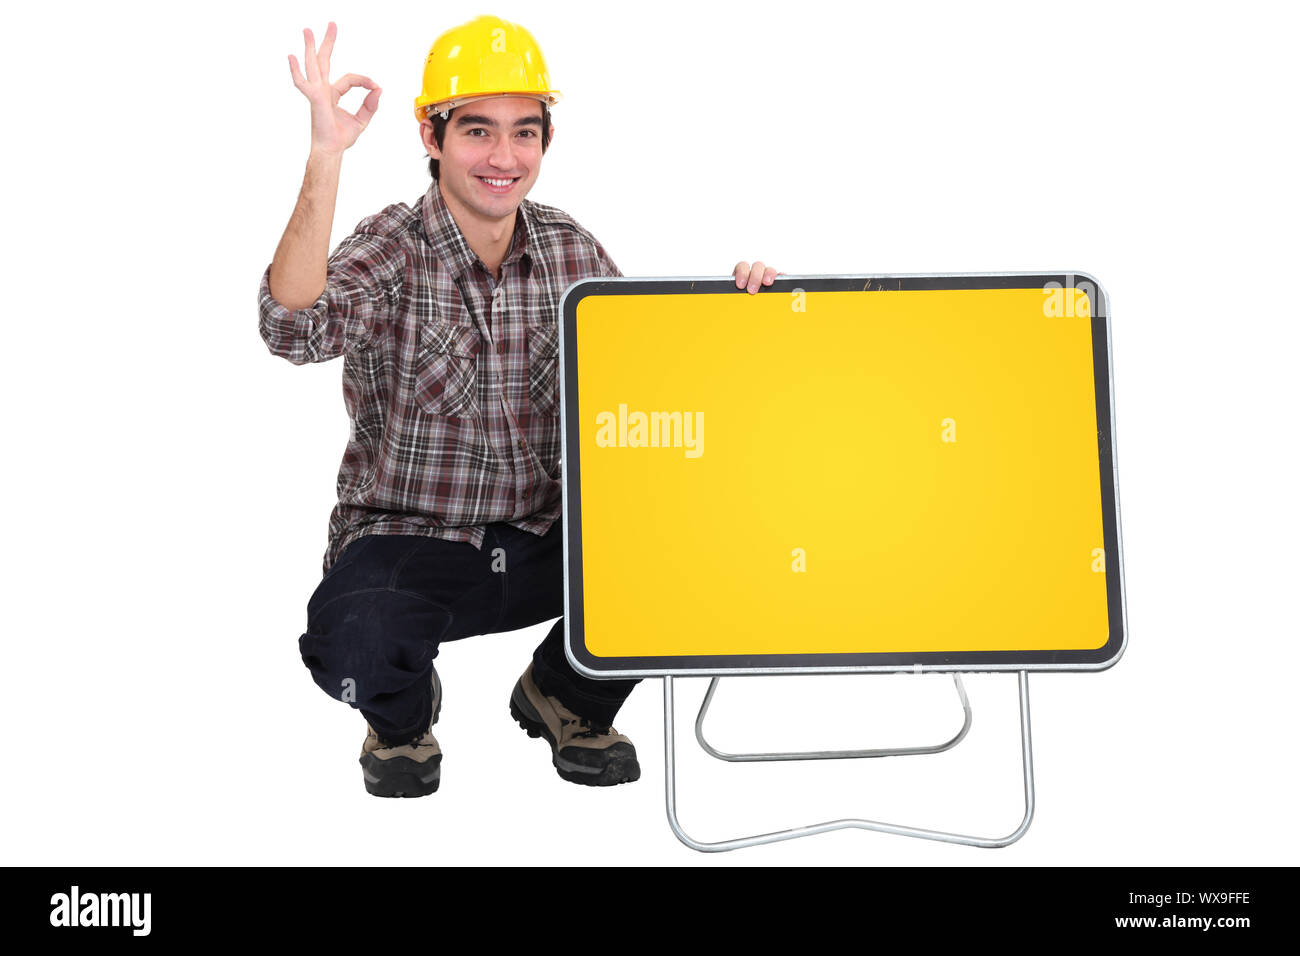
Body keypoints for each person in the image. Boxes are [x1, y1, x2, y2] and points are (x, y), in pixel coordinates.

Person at [257, 16, 779, 798]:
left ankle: (569, 694)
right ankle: (399, 717)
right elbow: (291, 327)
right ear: (432, 138)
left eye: (523, 133)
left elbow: (653, 382)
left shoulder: (572, 250)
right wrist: (326, 156)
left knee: (711, 547)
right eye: (477, 131)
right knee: (355, 646)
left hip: (546, 540)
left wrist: (739, 312)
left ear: (545, 141)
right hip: (410, 542)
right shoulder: (393, 246)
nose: (503, 158)